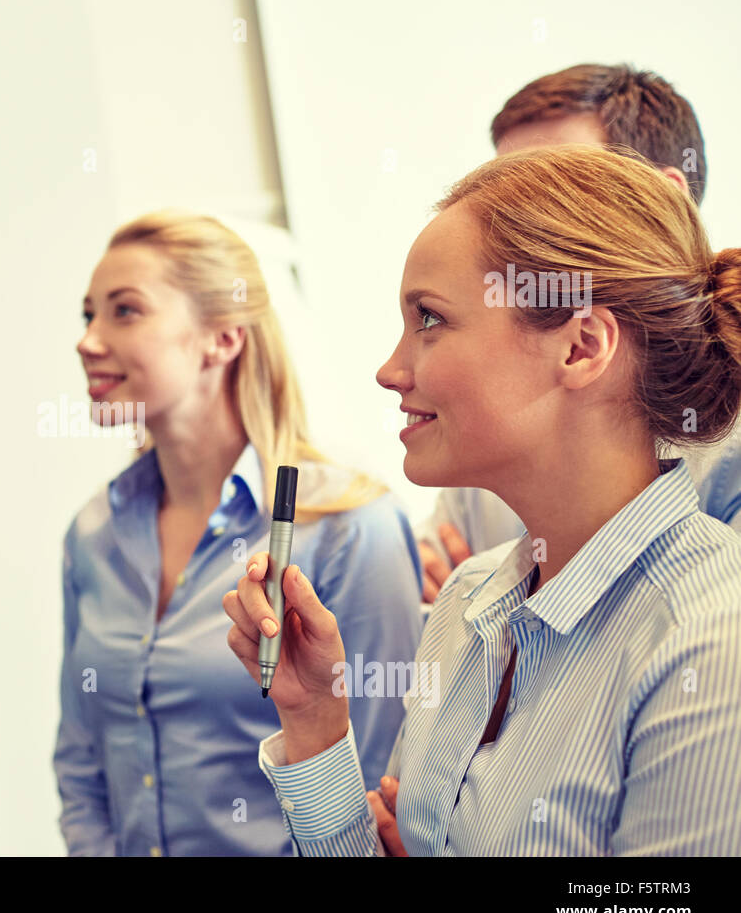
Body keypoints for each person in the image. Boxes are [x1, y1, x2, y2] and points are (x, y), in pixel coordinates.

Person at [227, 145, 741, 855]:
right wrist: (314, 720)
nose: (389, 369)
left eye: (430, 319)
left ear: (580, 346)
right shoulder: (466, 604)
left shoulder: (712, 639)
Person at [55, 211, 424, 855]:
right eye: (88, 315)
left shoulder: (351, 530)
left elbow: (379, 785)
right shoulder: (92, 535)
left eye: (124, 311)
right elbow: (83, 763)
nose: (88, 340)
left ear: (222, 338)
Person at [416, 64, 741, 603]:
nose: (511, 221)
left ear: (662, 196)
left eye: (552, 191)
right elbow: (439, 561)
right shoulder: (493, 416)